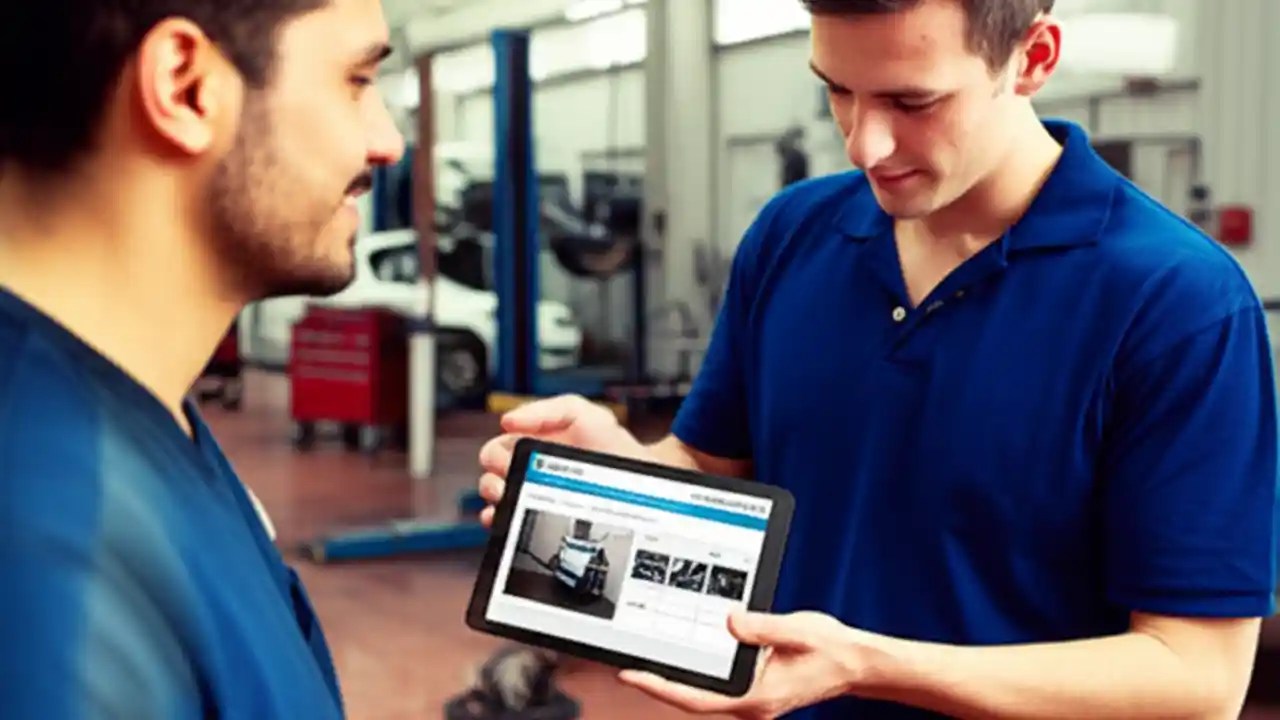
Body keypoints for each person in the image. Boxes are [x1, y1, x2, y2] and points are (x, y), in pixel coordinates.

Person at [477, 0, 1279, 718]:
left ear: (1032, 58)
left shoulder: (1176, 303)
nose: (866, 143)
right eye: (838, 90)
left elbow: (1196, 676)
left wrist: (866, 667)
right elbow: (714, 465)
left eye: (913, 100)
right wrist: (628, 476)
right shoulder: (793, 235)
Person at [0, 0, 403, 717]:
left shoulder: (135, 409)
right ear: (186, 87)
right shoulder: (48, 569)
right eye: (356, 80)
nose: (387, 141)